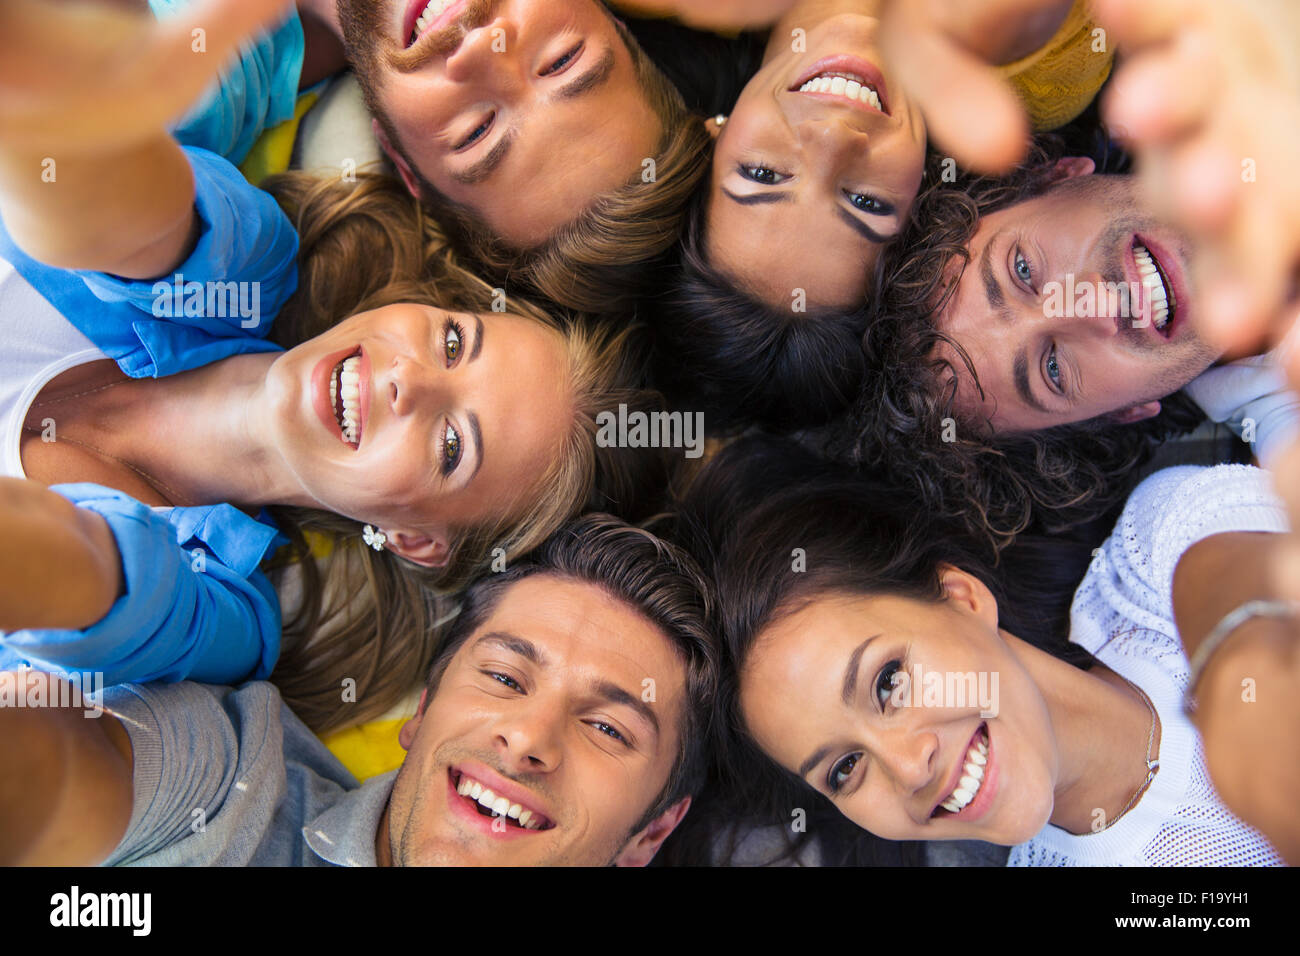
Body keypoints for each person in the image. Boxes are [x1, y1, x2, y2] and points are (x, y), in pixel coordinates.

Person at [0, 8, 665, 733]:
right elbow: (121, 210)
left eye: (452, 446)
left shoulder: (222, 610)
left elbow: (78, 582)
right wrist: (75, 110)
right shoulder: (249, 269)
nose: (409, 382)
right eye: (451, 344)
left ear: (414, 540)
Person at [684, 436, 1289, 865]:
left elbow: (1248, 603)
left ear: (963, 598)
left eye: (887, 682)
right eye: (843, 770)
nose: (908, 766)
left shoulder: (1158, 564)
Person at [0, 515, 720, 867]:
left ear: (652, 833)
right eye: (503, 678)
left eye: (608, 729)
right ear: (423, 712)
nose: (529, 739)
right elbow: (51, 763)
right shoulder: (230, 785)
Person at [657, 0, 1113, 430]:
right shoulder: (1046, 62)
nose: (834, 136)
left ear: (712, 136)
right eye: (866, 203)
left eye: (763, 173)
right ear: (925, 203)